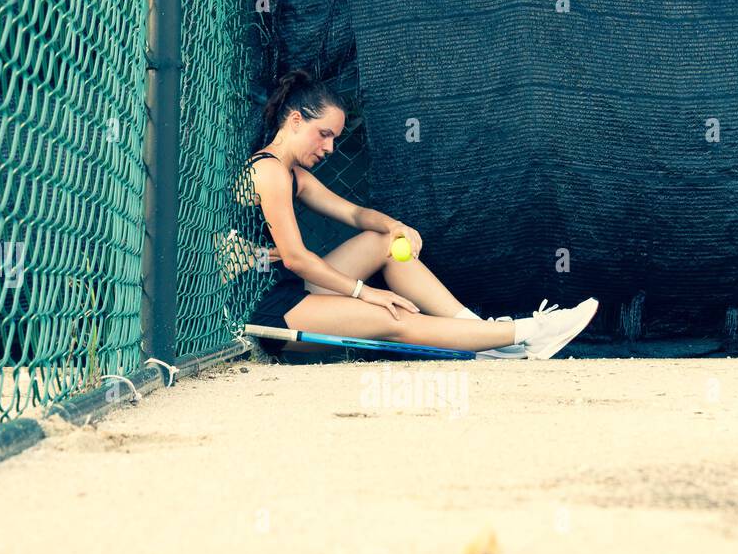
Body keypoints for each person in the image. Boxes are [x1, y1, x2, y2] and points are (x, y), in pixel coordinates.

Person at [238, 69, 597, 359]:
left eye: (334, 139)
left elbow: (357, 214)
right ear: (296, 121)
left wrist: (395, 226)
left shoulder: (292, 174)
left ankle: (483, 334)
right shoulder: (267, 171)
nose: (330, 147)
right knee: (393, 317)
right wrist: (366, 292)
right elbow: (297, 258)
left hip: (285, 288)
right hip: (267, 311)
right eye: (324, 135)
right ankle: (528, 334)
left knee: (381, 240)